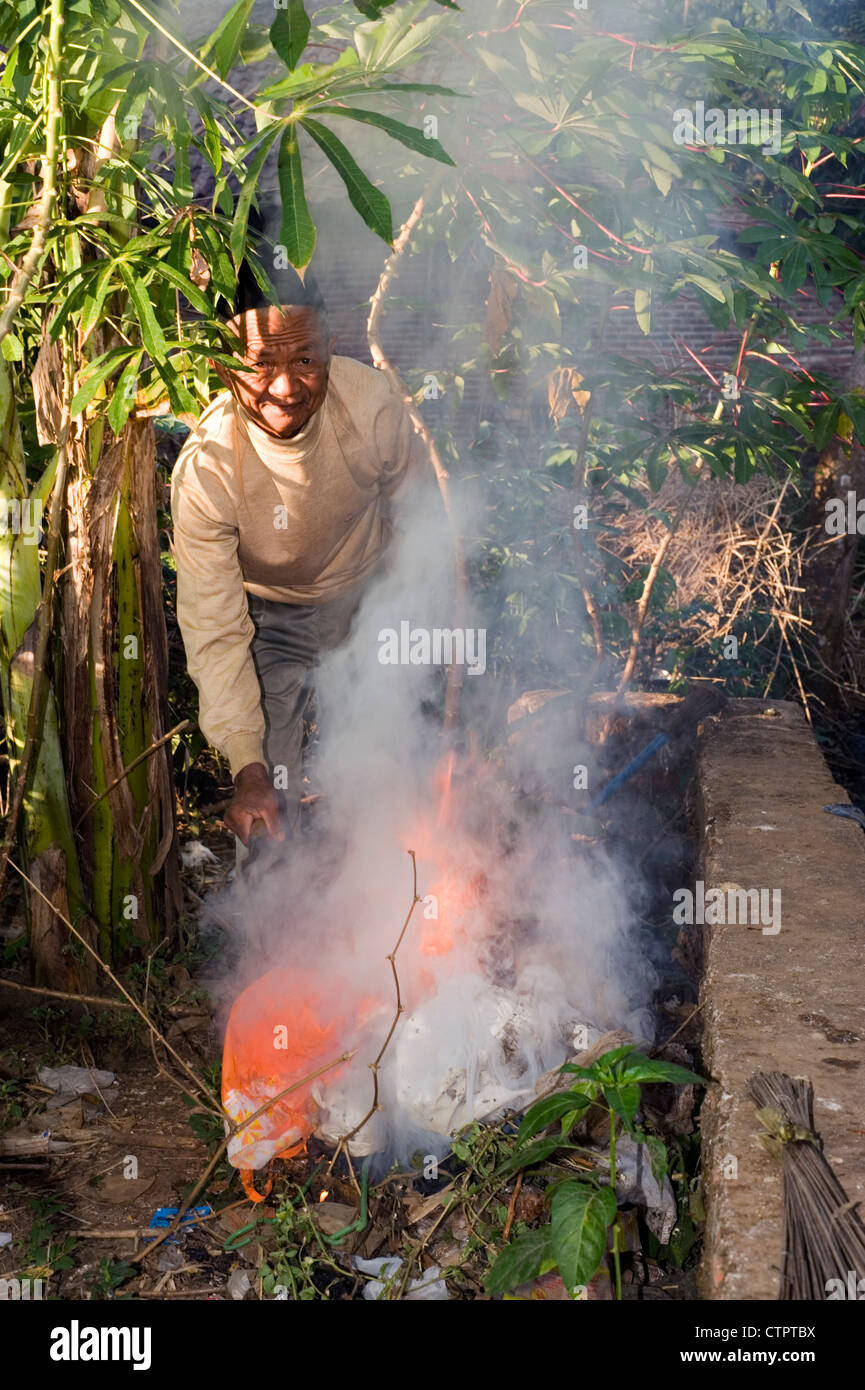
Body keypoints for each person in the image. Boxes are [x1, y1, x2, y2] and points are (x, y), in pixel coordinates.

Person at [170, 240, 422, 851]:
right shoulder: (206, 469)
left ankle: (387, 907)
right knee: (268, 792)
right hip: (267, 616)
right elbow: (215, 628)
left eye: (306, 360)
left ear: (332, 350)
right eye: (261, 364)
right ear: (225, 363)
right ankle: (273, 927)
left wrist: (413, 615)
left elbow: (422, 516)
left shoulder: (373, 407)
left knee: (379, 762)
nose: (285, 387)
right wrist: (247, 771)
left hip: (366, 600)